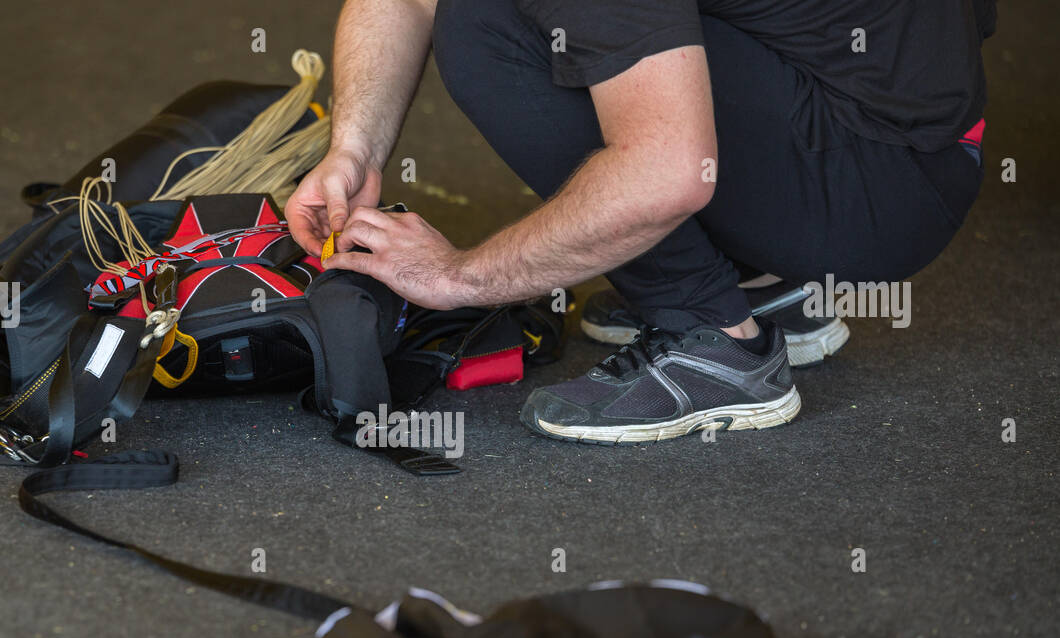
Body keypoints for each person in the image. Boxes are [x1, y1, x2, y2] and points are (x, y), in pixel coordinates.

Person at [286, 0, 996, 444]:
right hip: (900, 118)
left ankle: (714, 335)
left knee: (484, 21)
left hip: (882, 184)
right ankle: (755, 276)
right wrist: (354, 151)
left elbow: (672, 171)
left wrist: (458, 276)